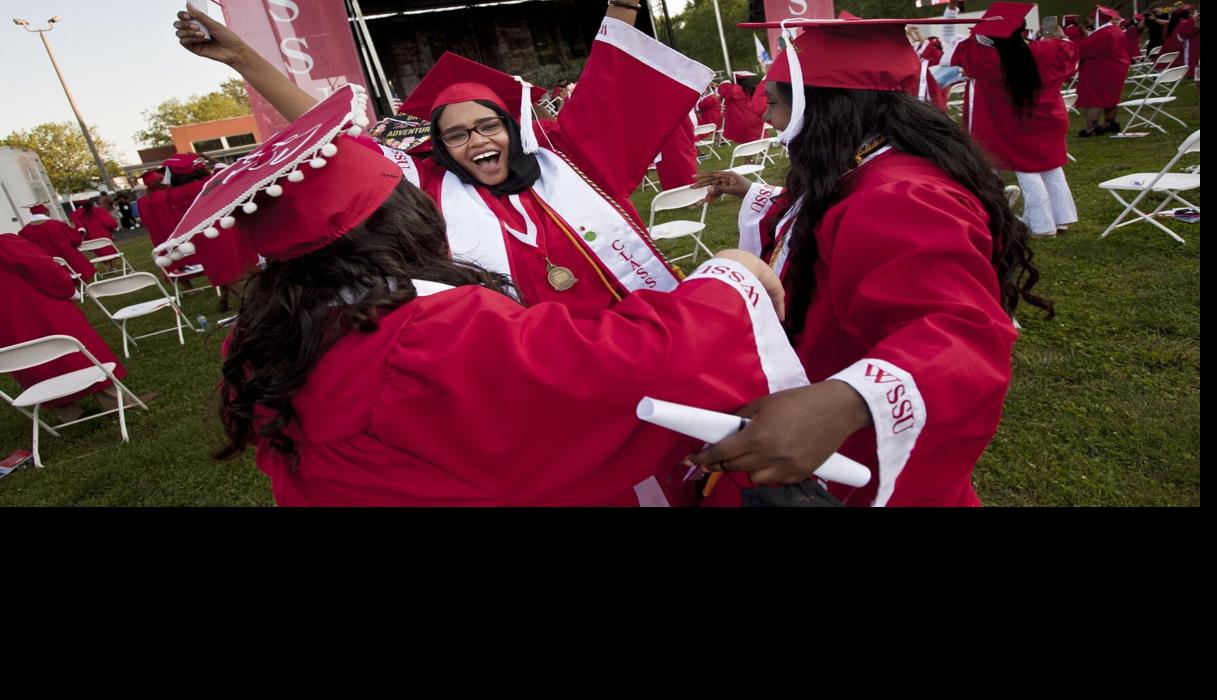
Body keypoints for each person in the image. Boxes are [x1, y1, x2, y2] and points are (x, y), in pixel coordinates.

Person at [156, 85, 809, 506]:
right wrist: (729, 280)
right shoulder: (426, 332)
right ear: (396, 216)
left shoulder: (257, 347)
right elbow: (626, 367)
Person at [687, 15, 1052, 506]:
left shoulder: (900, 196)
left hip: (853, 448)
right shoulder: (867, 165)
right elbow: (817, 221)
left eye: (773, 105)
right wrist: (751, 190)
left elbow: (958, 330)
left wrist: (848, 400)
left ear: (819, 105)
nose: (769, 121)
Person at [174, 1, 708, 311]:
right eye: (457, 136)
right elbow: (334, 141)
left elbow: (609, 82)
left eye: (487, 126)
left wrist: (622, 5)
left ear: (511, 127)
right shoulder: (425, 187)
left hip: (629, 326)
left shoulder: (568, 159)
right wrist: (245, 59)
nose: (477, 142)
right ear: (440, 146)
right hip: (530, 365)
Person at [951, 2, 1079, 236]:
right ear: (1023, 31)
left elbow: (962, 52)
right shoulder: (1047, 51)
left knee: (1027, 171)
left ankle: (1042, 225)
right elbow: (1068, 52)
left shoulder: (987, 58)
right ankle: (1062, 218)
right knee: (1051, 168)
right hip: (1049, 119)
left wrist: (981, 34)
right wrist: (1061, 37)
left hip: (1015, 124)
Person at [0, 233, 138, 424]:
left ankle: (68, 413)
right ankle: (115, 403)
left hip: (6, 327)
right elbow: (43, 268)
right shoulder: (5, 243)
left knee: (33, 364)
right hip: (40, 308)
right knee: (78, 353)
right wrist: (67, 288)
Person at [139, 153, 251, 286]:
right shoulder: (207, 184)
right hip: (224, 226)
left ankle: (221, 290)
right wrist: (208, 160)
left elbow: (145, 221)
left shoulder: (170, 194)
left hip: (197, 233)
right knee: (238, 259)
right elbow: (226, 172)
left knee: (216, 265)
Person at [1074, 9, 1131, 136]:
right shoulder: (1116, 30)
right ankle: (1110, 122)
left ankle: (1092, 125)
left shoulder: (1103, 33)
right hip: (1116, 68)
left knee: (1094, 98)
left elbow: (1085, 49)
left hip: (1100, 69)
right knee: (1111, 96)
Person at [17, 204, 96, 281]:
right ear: (46, 212)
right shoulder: (57, 224)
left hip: (49, 265)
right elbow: (76, 240)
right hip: (70, 261)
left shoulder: (24, 232)